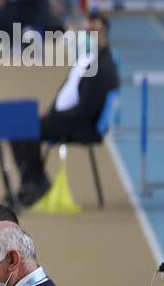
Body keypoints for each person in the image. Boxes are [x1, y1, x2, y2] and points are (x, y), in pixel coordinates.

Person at [10, 12, 120, 206]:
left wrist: (54, 117)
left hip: (81, 125)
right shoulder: (87, 57)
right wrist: (50, 111)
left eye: (90, 31)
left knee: (23, 130)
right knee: (18, 127)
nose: (85, 35)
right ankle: (35, 181)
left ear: (103, 34)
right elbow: (68, 90)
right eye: (85, 30)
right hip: (65, 117)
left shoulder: (103, 67)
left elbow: (85, 110)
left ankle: (36, 184)